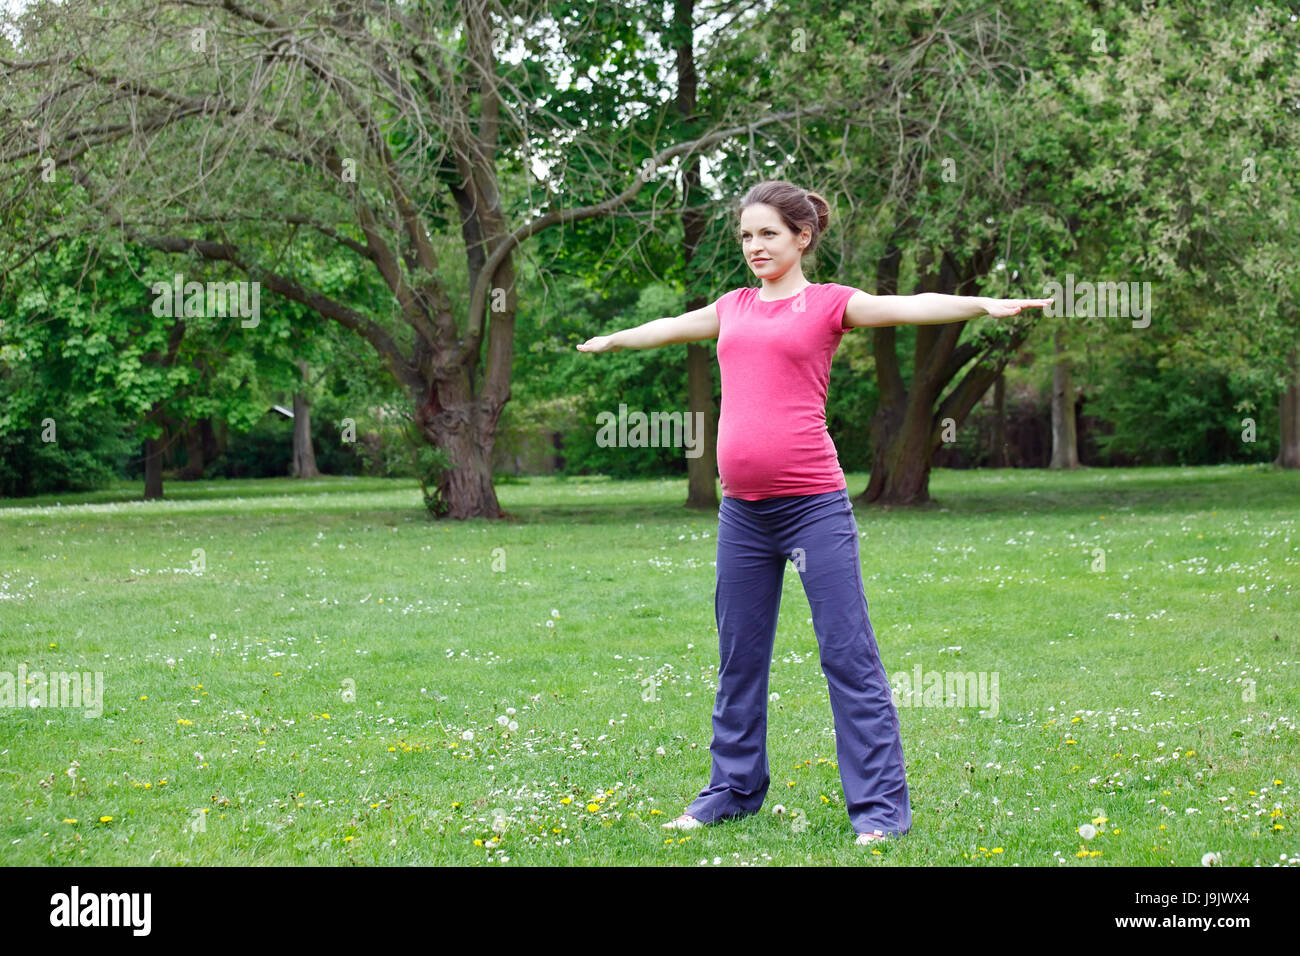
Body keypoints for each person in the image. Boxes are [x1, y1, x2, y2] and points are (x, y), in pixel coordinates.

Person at [577, 179, 1051, 846]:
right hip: (743, 516)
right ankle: (732, 791)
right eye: (745, 235)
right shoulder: (733, 307)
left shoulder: (830, 305)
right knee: (739, 657)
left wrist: (980, 304)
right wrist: (615, 339)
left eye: (768, 233)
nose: (754, 246)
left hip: (813, 509)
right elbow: (670, 328)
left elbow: (908, 306)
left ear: (802, 238)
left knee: (847, 656)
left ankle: (880, 812)